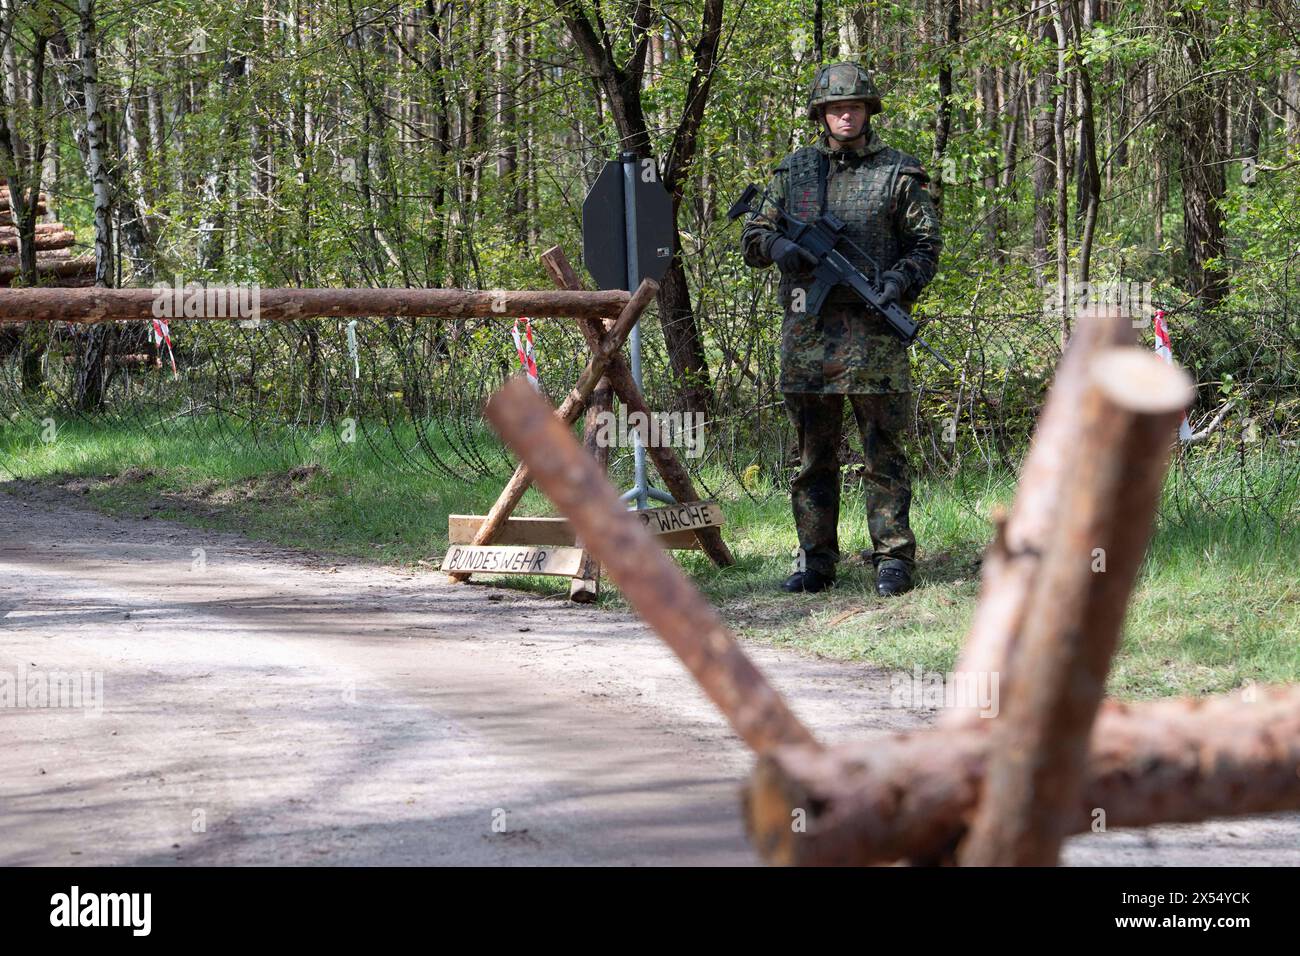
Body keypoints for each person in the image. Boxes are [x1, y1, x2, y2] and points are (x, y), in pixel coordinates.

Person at [740, 62, 942, 596]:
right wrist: (780, 246)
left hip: (875, 340)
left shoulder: (899, 172)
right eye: (835, 108)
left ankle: (893, 559)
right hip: (808, 340)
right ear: (822, 114)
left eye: (853, 106)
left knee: (884, 454)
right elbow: (755, 233)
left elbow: (926, 247)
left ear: (868, 111)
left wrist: (898, 283)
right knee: (813, 457)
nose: (845, 115)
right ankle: (816, 561)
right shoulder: (796, 172)